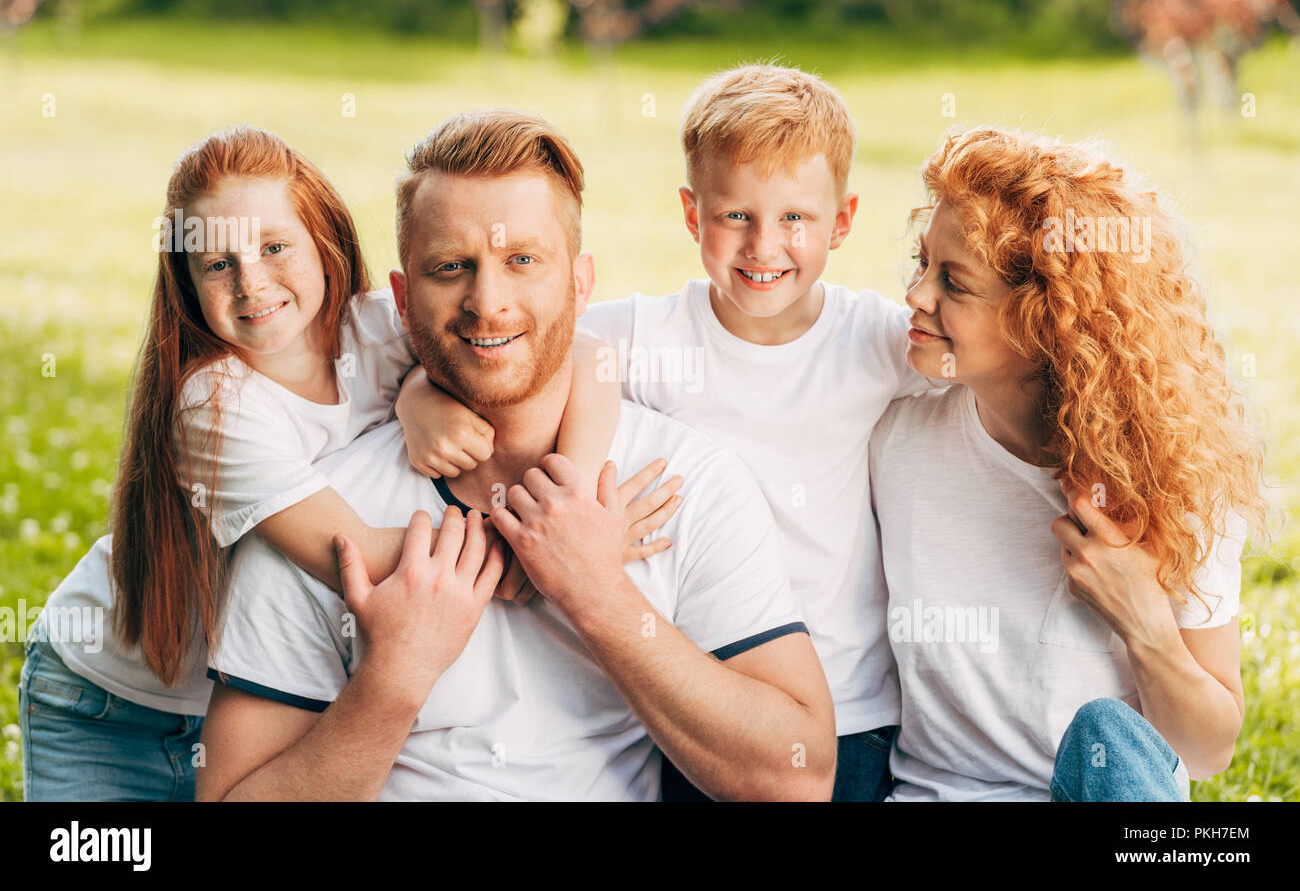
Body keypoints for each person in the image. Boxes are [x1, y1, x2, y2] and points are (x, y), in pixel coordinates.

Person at [196, 109, 838, 801]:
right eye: (452, 268)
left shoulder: (683, 483)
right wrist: (394, 679)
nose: (488, 303)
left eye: (523, 261)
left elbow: (795, 778)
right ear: (404, 300)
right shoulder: (316, 515)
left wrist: (595, 589)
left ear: (582, 282)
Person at [21, 125, 662, 801]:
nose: (251, 283)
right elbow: (356, 556)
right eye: (217, 265)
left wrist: (573, 494)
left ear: (323, 242)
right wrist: (563, 548)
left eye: (274, 247)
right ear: (186, 282)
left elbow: (584, 353)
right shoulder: (213, 404)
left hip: (255, 705)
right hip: (114, 704)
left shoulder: (376, 327)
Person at [398, 63, 931, 801]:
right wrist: (420, 395)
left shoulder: (871, 338)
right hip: (687, 675)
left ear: (841, 222)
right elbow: (537, 346)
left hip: (845, 705)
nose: (763, 247)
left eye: (795, 220)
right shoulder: (653, 330)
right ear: (692, 215)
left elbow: (981, 351)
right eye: (735, 216)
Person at [869, 126, 1266, 801]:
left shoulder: (1173, 480)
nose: (915, 294)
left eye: (954, 283)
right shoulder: (897, 430)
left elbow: (1206, 750)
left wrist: (1144, 620)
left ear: (1046, 319)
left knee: (1105, 732)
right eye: (920, 261)